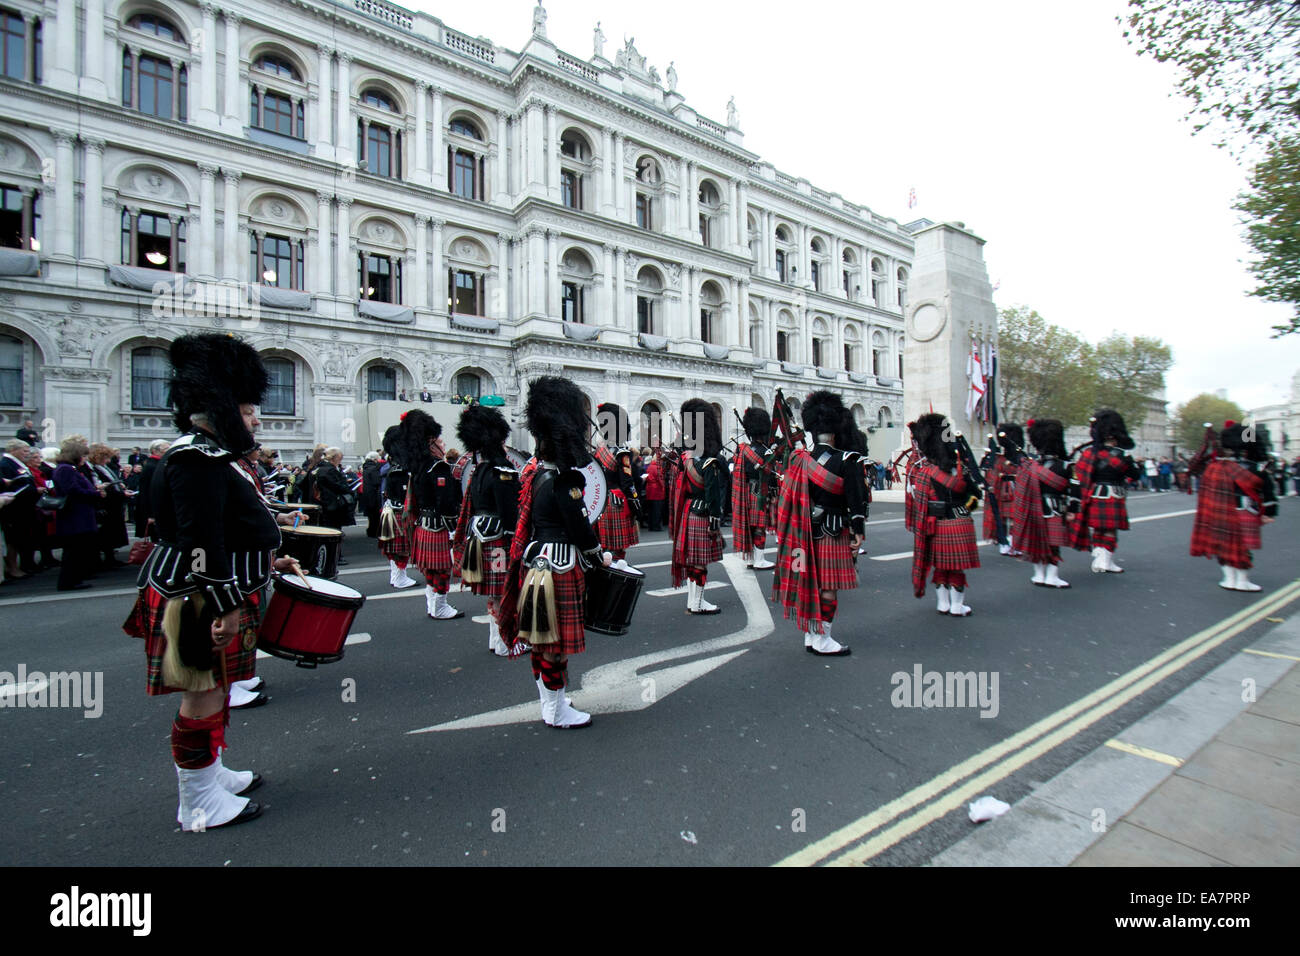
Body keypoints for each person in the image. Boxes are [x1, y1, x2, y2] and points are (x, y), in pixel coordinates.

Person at [122, 333, 300, 831]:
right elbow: (201, 543)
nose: (256, 420)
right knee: (201, 695)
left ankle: (213, 775)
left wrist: (269, 563)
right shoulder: (195, 459)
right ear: (220, 408)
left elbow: (228, 527)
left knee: (218, 690)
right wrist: (224, 605)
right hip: (198, 596)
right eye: (247, 412)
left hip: (214, 588)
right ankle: (196, 800)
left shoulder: (207, 454)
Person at [498, 376, 610, 728]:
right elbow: (580, 529)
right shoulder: (564, 481)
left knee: (541, 639)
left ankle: (552, 700)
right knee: (554, 644)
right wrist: (598, 555)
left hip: (536, 561)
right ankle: (556, 709)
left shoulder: (536, 473)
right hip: (560, 565)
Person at [771, 391, 864, 655]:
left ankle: (811, 636)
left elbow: (787, 500)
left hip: (802, 535)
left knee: (806, 583)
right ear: (836, 428)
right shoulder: (848, 460)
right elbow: (856, 502)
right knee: (828, 589)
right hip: (833, 533)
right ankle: (823, 640)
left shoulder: (800, 460)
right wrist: (859, 532)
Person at [452, 404, 521, 656]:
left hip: (480, 535)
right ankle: (505, 642)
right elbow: (510, 512)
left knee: (494, 594)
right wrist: (519, 542)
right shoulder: (503, 470)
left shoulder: (480, 469)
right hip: (499, 538)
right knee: (504, 592)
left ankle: (495, 639)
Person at [906, 413, 981, 616]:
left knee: (940, 566)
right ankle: (957, 606)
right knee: (956, 568)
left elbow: (918, 505)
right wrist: (967, 507)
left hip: (935, 525)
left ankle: (943, 603)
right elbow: (976, 494)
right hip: (959, 521)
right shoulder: (959, 469)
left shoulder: (923, 472)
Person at [1190, 422, 1277, 592]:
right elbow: (1268, 493)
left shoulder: (1215, 466)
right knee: (1242, 549)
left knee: (1223, 547)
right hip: (1247, 511)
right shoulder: (1256, 467)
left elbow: (1197, 474)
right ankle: (1242, 582)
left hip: (1219, 512)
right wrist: (1268, 512)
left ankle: (1228, 579)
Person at [401, 409, 463, 619]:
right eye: (440, 441)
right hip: (439, 526)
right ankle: (440, 606)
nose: (444, 444)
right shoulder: (438, 468)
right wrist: (455, 528)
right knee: (443, 570)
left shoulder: (419, 468)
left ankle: (432, 603)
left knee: (430, 570)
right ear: (431, 444)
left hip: (423, 524)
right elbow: (445, 503)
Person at [670, 398, 725, 614]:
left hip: (687, 512)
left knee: (692, 562)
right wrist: (715, 521)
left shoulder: (686, 460)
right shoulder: (710, 464)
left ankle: (692, 600)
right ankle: (699, 603)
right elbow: (713, 497)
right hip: (703, 516)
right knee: (700, 563)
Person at [1069, 409, 1140, 574]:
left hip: (1094, 493)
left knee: (1099, 528)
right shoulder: (1120, 456)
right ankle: (1104, 560)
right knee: (1109, 529)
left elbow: (1078, 477)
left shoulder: (1088, 453)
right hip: (1112, 494)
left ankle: (1101, 555)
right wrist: (1131, 463)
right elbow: (1135, 475)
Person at [1012, 419, 1072, 588]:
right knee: (1053, 545)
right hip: (1054, 509)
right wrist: (1072, 509)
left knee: (1036, 543)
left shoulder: (1029, 465)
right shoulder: (1065, 465)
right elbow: (1072, 491)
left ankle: (1038, 575)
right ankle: (1051, 576)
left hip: (1033, 509)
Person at [593, 402, 641, 568]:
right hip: (617, 501)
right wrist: (635, 501)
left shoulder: (599, 451)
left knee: (604, 542)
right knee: (618, 546)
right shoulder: (622, 452)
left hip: (601, 500)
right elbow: (627, 482)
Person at [52, 436, 103, 591]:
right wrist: (94, 493)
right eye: (83, 455)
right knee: (73, 551)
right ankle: (69, 581)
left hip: (77, 515)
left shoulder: (67, 469)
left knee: (77, 550)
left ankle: (74, 579)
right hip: (74, 517)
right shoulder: (65, 469)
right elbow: (73, 491)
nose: (85, 458)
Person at [732, 407, 777, 570]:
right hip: (759, 492)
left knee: (750, 526)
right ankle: (759, 559)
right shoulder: (766, 451)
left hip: (745, 492)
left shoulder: (743, 450)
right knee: (759, 527)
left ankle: (750, 558)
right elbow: (771, 476)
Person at [378, 425, 419, 589]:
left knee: (395, 547)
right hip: (399, 510)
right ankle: (399, 577)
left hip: (390, 509)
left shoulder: (392, 463)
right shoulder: (400, 468)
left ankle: (396, 575)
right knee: (400, 548)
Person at [314, 447, 356, 566]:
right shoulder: (329, 470)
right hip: (332, 505)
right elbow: (337, 486)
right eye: (339, 458)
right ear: (334, 458)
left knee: (330, 530)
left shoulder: (320, 469)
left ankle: (332, 555)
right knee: (334, 531)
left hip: (327, 504)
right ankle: (334, 556)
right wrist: (347, 488)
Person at [644, 450, 666, 532]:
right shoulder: (657, 467)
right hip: (657, 491)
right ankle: (656, 526)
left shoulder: (650, 466)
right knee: (657, 510)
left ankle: (651, 525)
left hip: (650, 490)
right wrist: (663, 487)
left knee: (651, 510)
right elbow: (660, 479)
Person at [361, 452, 382, 538]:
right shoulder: (373, 469)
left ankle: (371, 531)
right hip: (373, 494)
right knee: (375, 515)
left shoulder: (366, 468)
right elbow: (377, 481)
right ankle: (374, 531)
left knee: (371, 516)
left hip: (367, 493)